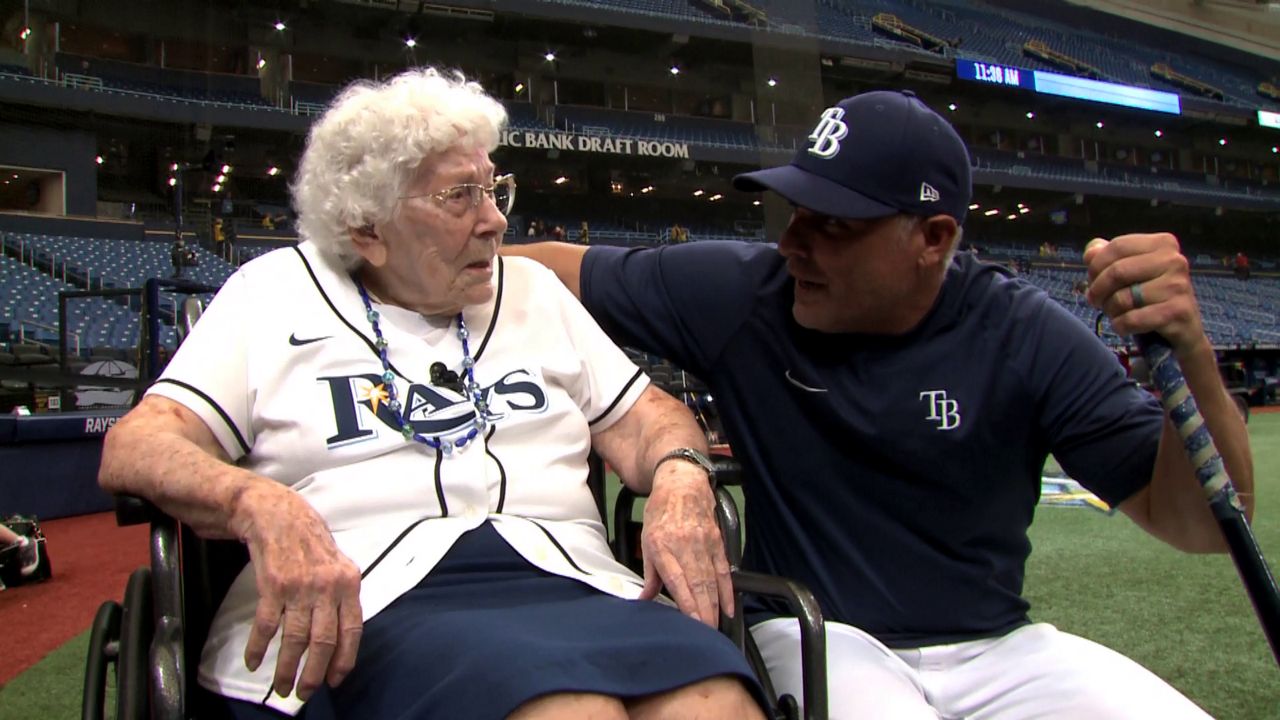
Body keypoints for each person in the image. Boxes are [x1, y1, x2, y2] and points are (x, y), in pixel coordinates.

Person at [503, 89, 1252, 718]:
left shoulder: (1023, 332)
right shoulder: (742, 292)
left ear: (932, 237)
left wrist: (1191, 355)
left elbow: (1198, 523)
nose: (794, 243)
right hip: (822, 632)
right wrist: (411, 248)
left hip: (999, 645)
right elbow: (547, 272)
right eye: (796, 210)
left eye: (834, 225)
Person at [99, 68, 765, 720]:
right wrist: (256, 501)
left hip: (579, 581)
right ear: (367, 229)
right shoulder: (270, 293)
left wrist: (682, 476)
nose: (495, 221)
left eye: (494, 189)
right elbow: (139, 444)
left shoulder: (530, 290)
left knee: (715, 703)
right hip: (366, 601)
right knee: (567, 709)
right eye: (460, 197)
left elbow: (650, 416)